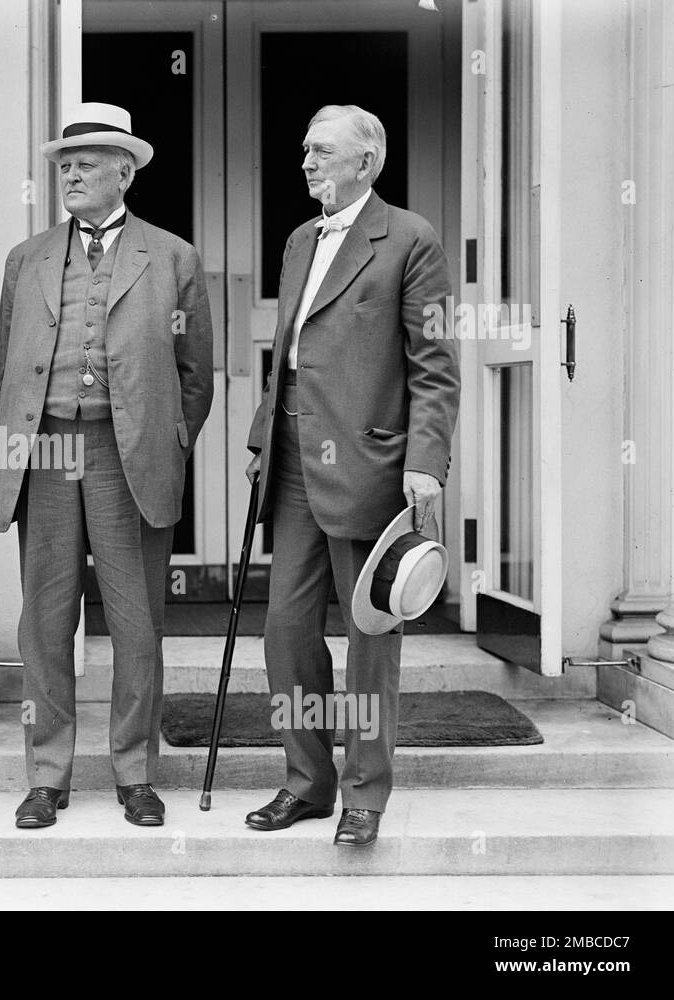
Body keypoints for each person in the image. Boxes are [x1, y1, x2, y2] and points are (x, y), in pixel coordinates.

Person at [0, 103, 214, 829]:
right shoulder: (25, 259)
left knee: (136, 623)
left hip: (129, 462)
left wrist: (162, 442)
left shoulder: (172, 256)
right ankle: (47, 776)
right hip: (49, 453)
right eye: (64, 163)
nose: (72, 173)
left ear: (125, 170)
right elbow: (9, 367)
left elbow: (195, 375)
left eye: (86, 162)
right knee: (45, 623)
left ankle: (136, 775)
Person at [244, 105, 460, 847]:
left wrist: (425, 462)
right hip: (295, 461)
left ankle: (365, 794)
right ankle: (306, 782)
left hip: (369, 463)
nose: (305, 162)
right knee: (285, 632)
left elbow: (435, 368)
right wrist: (259, 436)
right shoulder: (301, 239)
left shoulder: (411, 238)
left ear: (365, 163)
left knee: (371, 634)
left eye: (322, 152)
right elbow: (289, 351)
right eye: (304, 148)